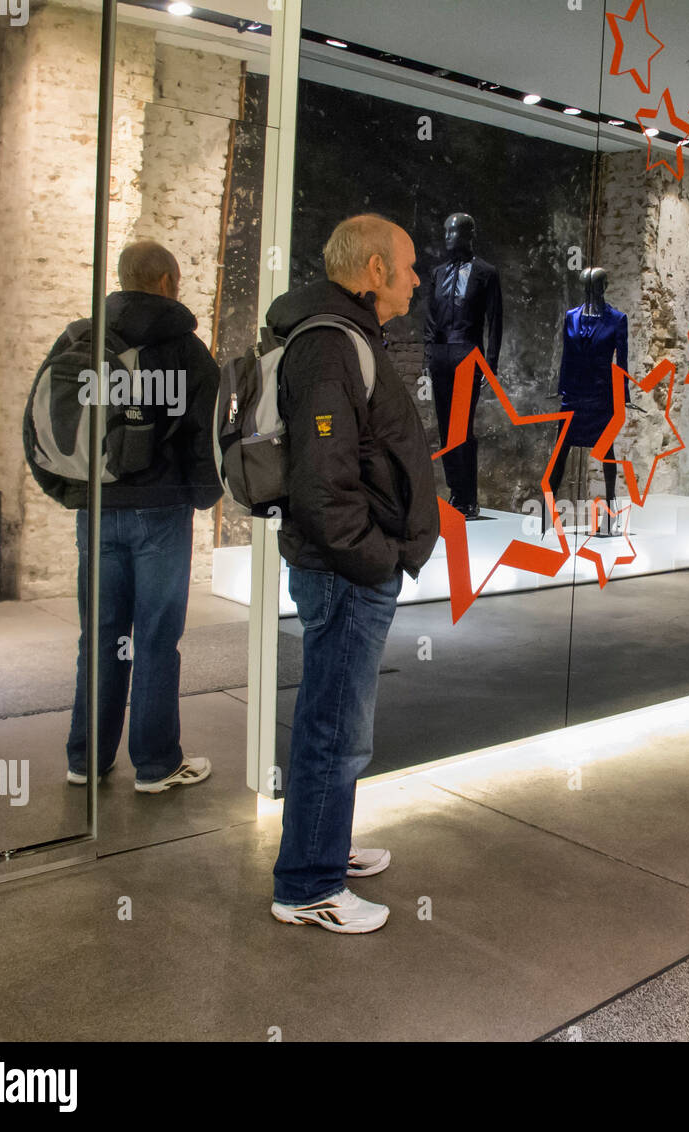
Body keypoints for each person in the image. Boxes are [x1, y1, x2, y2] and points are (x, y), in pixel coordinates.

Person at [266, 215, 439, 934]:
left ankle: (325, 849)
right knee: (335, 728)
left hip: (349, 569)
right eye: (407, 266)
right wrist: (376, 560)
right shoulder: (332, 345)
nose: (417, 279)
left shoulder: (345, 335)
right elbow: (324, 483)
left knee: (340, 723)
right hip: (346, 571)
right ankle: (307, 885)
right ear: (374, 269)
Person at [27, 240, 220, 793]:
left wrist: (70, 493)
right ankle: (157, 765)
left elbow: (42, 423)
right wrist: (203, 495)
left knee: (102, 636)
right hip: (160, 513)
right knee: (157, 638)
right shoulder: (183, 349)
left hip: (97, 510)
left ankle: (85, 759)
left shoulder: (80, 338)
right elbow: (206, 433)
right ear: (165, 282)